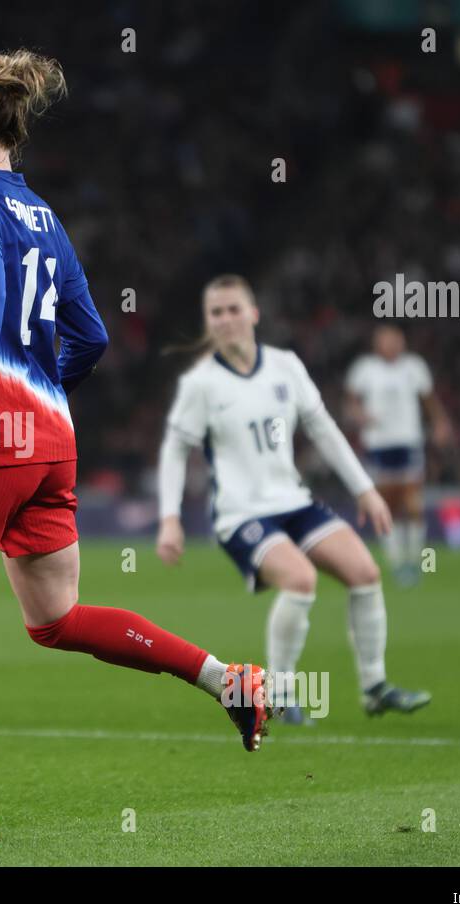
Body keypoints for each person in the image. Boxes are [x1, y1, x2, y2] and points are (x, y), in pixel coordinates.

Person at [0, 51, 271, 843]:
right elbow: (90, 335)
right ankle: (228, 680)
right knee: (53, 619)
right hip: (50, 442)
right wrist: (41, 397)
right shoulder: (44, 214)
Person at [156, 275, 431, 726]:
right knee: (301, 579)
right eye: (215, 313)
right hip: (240, 513)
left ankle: (375, 687)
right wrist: (169, 518)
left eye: (233, 309)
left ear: (253, 313)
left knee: (365, 572)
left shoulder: (285, 365)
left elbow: (322, 427)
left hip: (293, 500)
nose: (225, 319)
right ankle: (279, 694)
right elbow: (174, 449)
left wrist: (364, 488)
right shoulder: (201, 384)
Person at [344, 324, 453, 586]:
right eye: (386, 340)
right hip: (379, 443)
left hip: (409, 441)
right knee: (388, 506)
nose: (392, 345)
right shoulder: (365, 368)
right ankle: (397, 564)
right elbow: (350, 402)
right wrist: (358, 414)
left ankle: (418, 563)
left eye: (396, 340)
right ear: (377, 344)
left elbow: (428, 399)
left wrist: (440, 422)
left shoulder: (414, 367)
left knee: (413, 503)